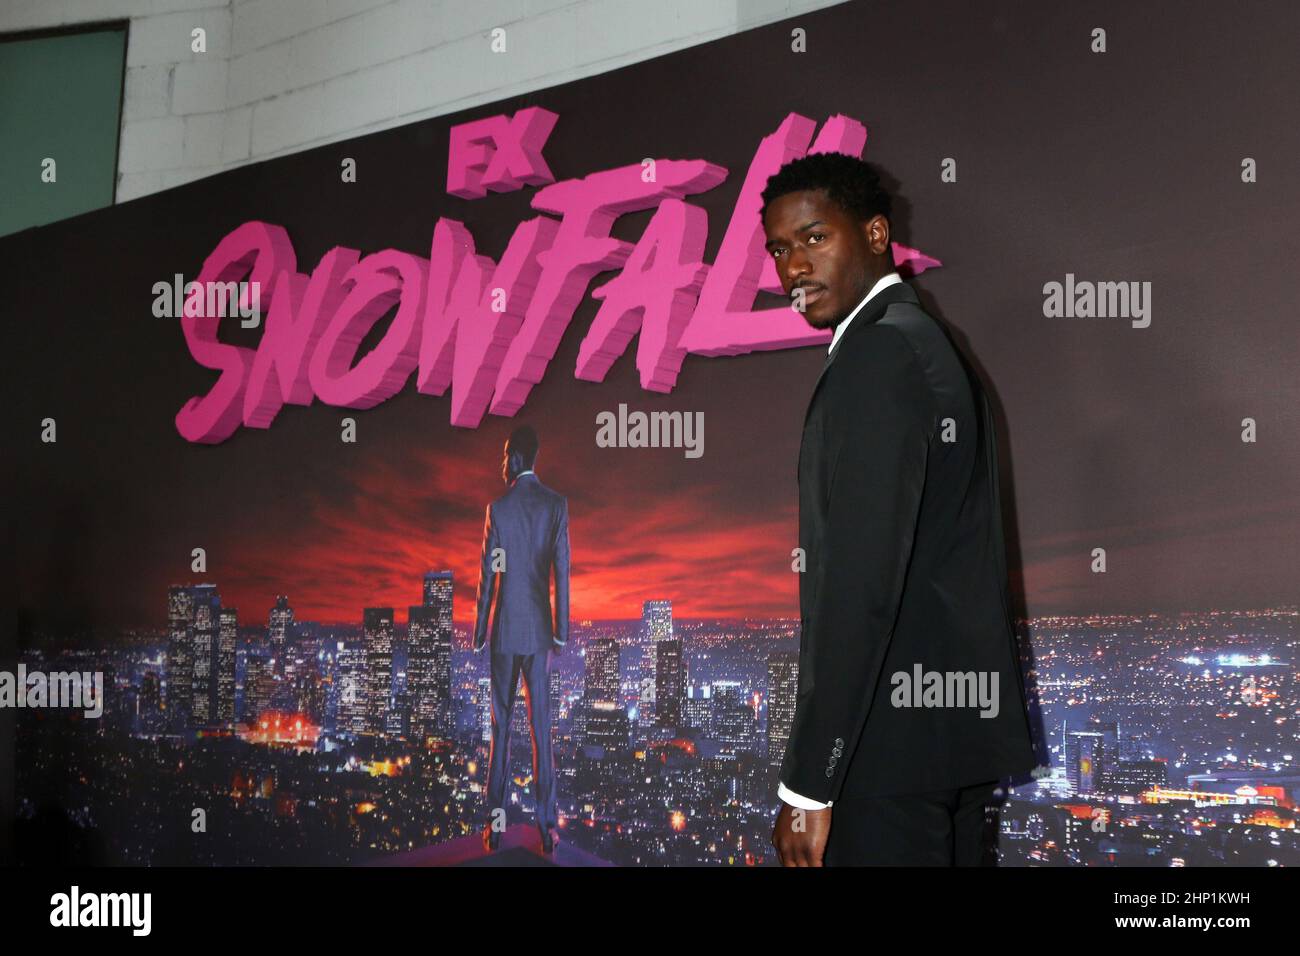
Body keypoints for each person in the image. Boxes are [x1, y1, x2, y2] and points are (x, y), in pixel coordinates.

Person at [763, 153, 1036, 866]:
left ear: (878, 233)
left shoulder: (878, 356)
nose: (794, 266)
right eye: (780, 248)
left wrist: (809, 785)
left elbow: (858, 585)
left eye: (815, 237)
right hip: (948, 745)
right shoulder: (931, 343)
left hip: (883, 758)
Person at [474, 424, 570, 854]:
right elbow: (560, 573)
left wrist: (479, 630)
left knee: (501, 728)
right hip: (539, 635)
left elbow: (490, 576)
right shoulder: (555, 506)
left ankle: (495, 826)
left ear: (514, 458)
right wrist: (561, 633)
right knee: (541, 732)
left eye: (503, 456)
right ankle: (547, 828)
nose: (501, 464)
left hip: (504, 635)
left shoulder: (499, 509)